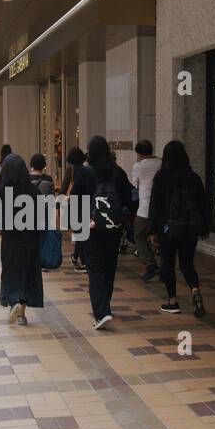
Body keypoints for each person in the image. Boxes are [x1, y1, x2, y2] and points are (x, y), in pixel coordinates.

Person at [71, 136, 132, 330]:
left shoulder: (84, 173)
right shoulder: (119, 172)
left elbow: (75, 201)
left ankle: (101, 313)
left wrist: (77, 225)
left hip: (92, 229)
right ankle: (105, 305)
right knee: (109, 267)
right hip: (113, 229)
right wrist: (121, 220)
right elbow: (128, 201)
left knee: (95, 269)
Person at [149, 141, 208, 317]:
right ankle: (195, 290)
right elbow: (203, 204)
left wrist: (152, 230)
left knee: (167, 264)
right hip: (189, 228)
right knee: (187, 264)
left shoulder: (161, 177)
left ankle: (172, 301)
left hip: (167, 228)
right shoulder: (194, 177)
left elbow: (155, 205)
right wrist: (204, 226)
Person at [0, 154, 44, 325]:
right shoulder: (33, 190)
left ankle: (13, 303)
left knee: (10, 272)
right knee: (27, 273)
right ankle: (21, 313)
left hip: (9, 240)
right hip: (29, 240)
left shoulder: (0, 192)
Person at [130, 139, 163, 281]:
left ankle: (151, 265)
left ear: (140, 154)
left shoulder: (139, 166)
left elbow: (134, 182)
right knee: (162, 239)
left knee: (139, 236)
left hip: (144, 208)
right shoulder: (161, 163)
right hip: (160, 208)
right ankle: (165, 268)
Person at [61, 147, 87, 272]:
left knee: (78, 232)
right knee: (80, 232)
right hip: (85, 203)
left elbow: (64, 186)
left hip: (73, 203)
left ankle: (82, 260)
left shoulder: (70, 170)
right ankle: (77, 257)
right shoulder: (86, 169)